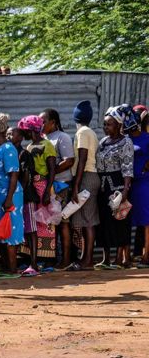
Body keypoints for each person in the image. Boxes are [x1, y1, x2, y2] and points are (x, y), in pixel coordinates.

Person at [16, 114, 56, 275]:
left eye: (24, 131)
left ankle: (47, 260)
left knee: (46, 223)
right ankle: (34, 259)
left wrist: (47, 191)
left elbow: (52, 169)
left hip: (43, 185)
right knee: (34, 223)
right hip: (32, 187)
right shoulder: (29, 147)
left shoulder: (47, 145)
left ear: (30, 131)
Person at [96, 106, 135, 269]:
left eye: (109, 124)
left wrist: (126, 190)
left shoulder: (126, 141)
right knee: (104, 221)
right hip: (103, 186)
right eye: (105, 124)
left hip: (117, 185)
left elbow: (127, 166)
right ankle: (106, 258)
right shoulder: (103, 142)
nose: (106, 128)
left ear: (119, 125)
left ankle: (120, 258)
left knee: (119, 221)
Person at [0, 113, 24, 275]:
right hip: (1, 194)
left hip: (11, 194)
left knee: (11, 231)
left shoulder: (8, 149)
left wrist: (9, 199)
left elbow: (14, 174)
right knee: (3, 230)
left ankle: (13, 269)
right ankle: (8, 266)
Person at [42, 108, 76, 269]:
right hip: (49, 187)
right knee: (50, 223)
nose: (41, 124)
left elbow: (69, 160)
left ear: (53, 122)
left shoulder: (62, 137)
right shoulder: (44, 137)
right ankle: (52, 258)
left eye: (44, 121)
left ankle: (66, 259)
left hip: (61, 186)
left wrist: (51, 171)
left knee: (63, 222)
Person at [69, 101, 101, 270]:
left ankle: (87, 260)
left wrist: (76, 186)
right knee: (88, 220)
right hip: (91, 177)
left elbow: (82, 159)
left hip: (86, 177)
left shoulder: (82, 132)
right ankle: (86, 258)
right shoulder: (91, 132)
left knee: (88, 221)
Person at [126, 109, 149, 267]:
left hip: (143, 183)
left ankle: (146, 255)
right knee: (126, 219)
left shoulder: (147, 139)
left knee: (146, 221)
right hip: (128, 184)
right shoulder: (125, 140)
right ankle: (125, 257)